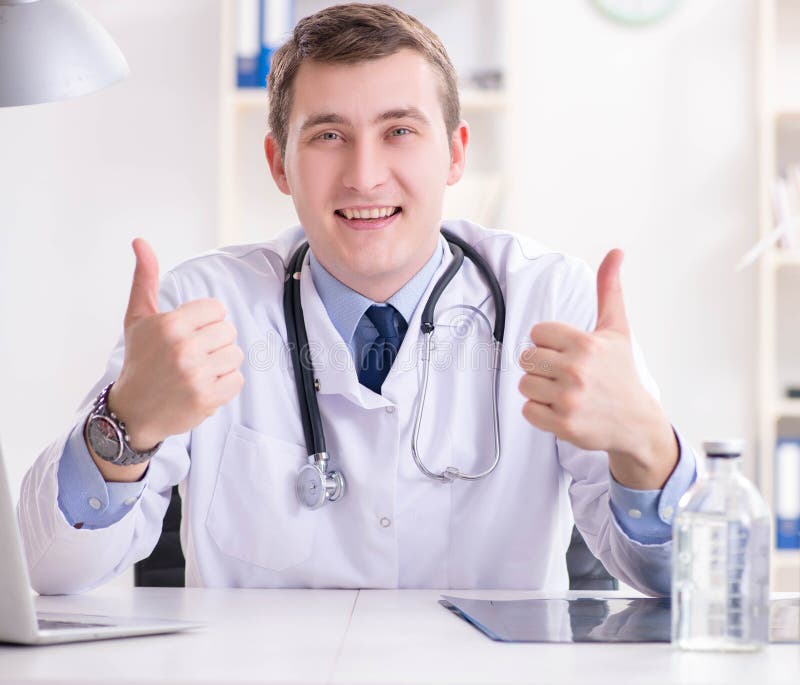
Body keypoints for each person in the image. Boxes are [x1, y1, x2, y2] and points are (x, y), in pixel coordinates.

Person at [18, 3, 695, 596]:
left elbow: (679, 583)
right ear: (278, 163)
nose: (365, 175)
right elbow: (50, 569)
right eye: (328, 135)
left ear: (456, 153)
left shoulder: (550, 302)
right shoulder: (201, 307)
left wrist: (645, 446)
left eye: (399, 131)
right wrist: (126, 424)